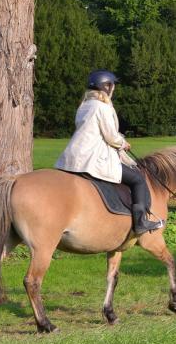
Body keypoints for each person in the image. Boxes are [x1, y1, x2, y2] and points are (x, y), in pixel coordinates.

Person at [56, 70, 163, 235]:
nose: (113, 89)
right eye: (111, 86)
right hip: (93, 158)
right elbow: (110, 136)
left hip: (72, 157)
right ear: (106, 87)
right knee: (138, 179)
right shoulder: (102, 107)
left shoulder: (84, 106)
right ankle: (141, 222)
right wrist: (123, 143)